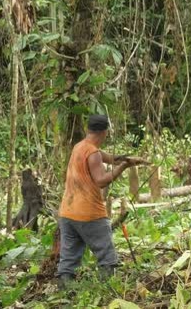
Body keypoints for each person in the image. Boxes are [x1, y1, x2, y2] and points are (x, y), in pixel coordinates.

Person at [56, 114, 147, 287]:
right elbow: (101, 180)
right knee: (107, 255)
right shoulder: (93, 153)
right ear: (104, 132)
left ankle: (64, 295)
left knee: (68, 260)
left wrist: (128, 159)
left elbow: (111, 158)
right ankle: (107, 291)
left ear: (88, 129)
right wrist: (124, 167)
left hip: (67, 213)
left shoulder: (80, 146)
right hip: (89, 213)